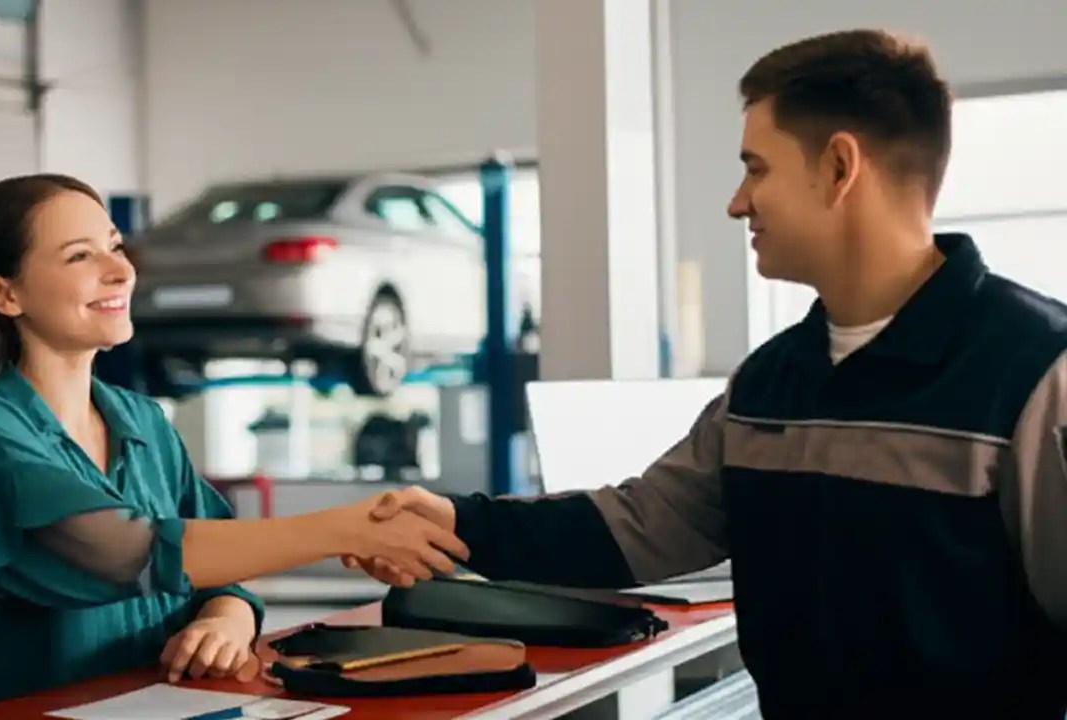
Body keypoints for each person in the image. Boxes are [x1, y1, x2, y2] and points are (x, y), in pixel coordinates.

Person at [348, 29, 1067, 719]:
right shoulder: (771, 381)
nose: (737, 201)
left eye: (757, 167)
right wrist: (457, 521)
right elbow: (640, 528)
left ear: (841, 167)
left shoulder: (1036, 372)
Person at [0, 174, 470, 711]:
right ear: (4, 294)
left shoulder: (142, 421)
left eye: (115, 247)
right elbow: (122, 554)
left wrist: (226, 621)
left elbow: (221, 564)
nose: (120, 271)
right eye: (80, 256)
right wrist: (350, 527)